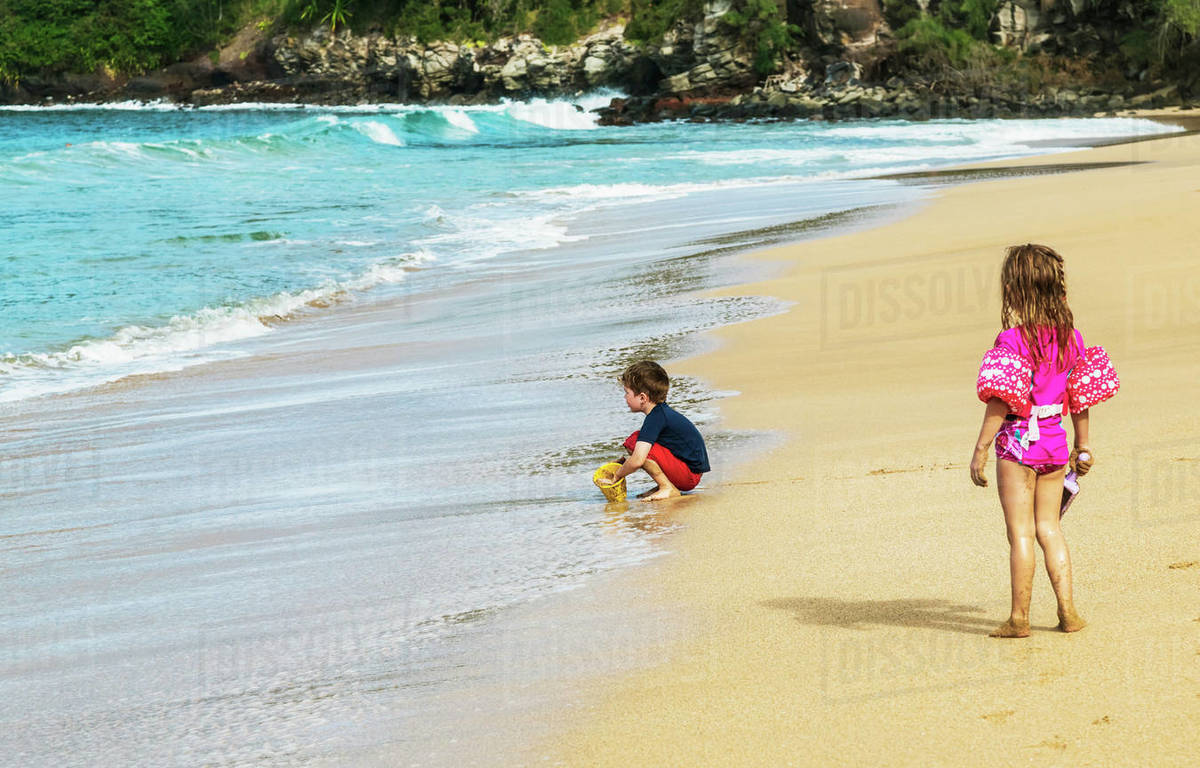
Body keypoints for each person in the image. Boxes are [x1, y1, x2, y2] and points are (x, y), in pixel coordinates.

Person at [970, 244, 1120, 638]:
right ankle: (1068, 612)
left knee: (1020, 534)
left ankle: (1019, 618)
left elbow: (1001, 403)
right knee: (1049, 528)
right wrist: (1082, 445)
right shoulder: (1072, 338)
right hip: (1055, 442)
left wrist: (981, 449)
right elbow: (1080, 398)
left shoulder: (1012, 339)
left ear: (1017, 292)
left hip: (1018, 446)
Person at [608, 360, 710, 501]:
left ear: (643, 397)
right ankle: (666, 485)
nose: (625, 397)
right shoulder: (661, 413)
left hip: (689, 476)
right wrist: (625, 463)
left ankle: (667, 487)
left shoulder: (655, 418)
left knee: (633, 442)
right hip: (690, 472)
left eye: (627, 393)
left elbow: (638, 460)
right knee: (638, 440)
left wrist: (618, 475)